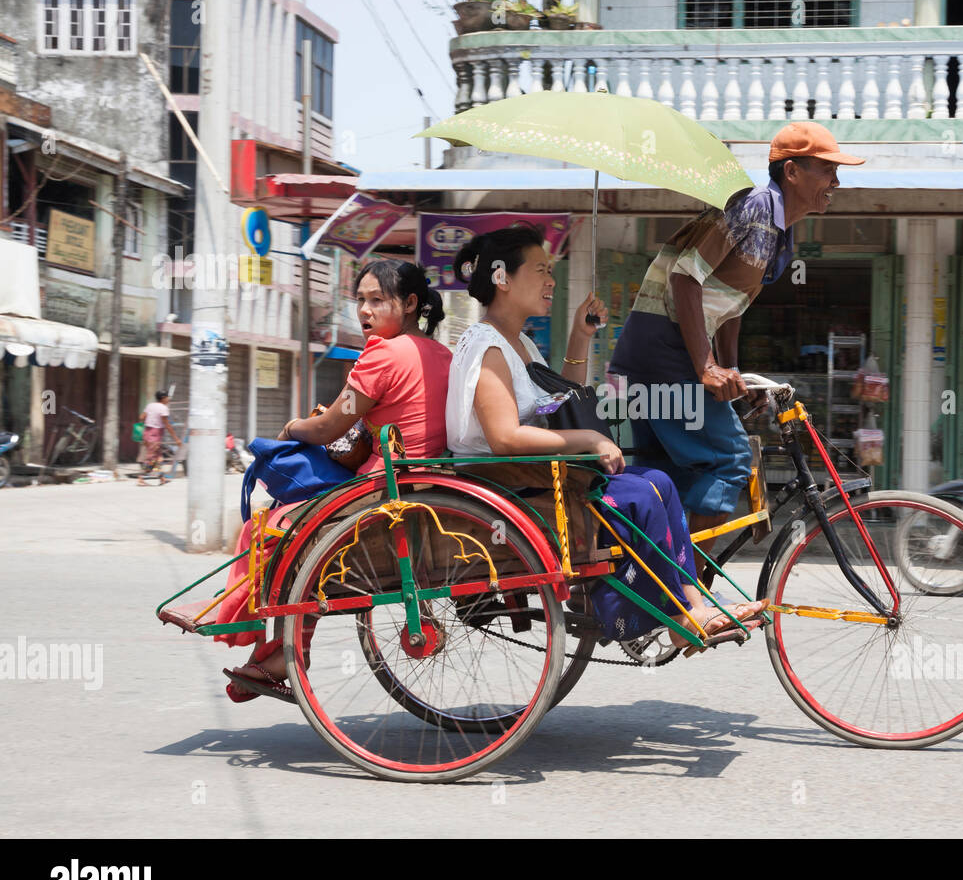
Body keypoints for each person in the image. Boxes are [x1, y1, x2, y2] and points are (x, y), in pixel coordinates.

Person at [446, 226, 766, 647]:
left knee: (659, 482)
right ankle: (679, 615)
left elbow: (559, 402)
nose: (551, 281)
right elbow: (504, 437)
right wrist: (591, 440)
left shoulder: (518, 341)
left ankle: (692, 606)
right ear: (503, 279)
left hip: (535, 475)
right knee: (643, 494)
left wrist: (581, 336)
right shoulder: (488, 346)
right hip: (508, 481)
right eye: (541, 270)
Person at [608, 121, 864, 547]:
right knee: (729, 460)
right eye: (826, 169)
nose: (836, 180)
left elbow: (730, 306)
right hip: (664, 346)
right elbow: (686, 279)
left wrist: (731, 370)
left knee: (664, 478)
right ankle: (689, 593)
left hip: (655, 351)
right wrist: (706, 367)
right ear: (792, 172)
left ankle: (653, 594)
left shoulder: (782, 231)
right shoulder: (752, 206)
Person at [220, 259, 452, 701]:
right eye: (360, 301)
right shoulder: (443, 354)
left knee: (274, 529)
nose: (363, 311)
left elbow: (328, 428)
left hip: (383, 488)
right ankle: (282, 651)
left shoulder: (384, 352)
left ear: (409, 304)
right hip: (431, 484)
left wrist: (290, 428)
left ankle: (284, 652)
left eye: (376, 300)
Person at [137, 391, 181, 485]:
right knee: (151, 458)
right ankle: (141, 478)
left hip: (147, 433)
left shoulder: (150, 405)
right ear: (163, 398)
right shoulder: (163, 408)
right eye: (167, 397)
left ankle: (162, 478)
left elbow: (141, 417)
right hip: (155, 434)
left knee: (158, 458)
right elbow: (167, 425)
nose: (168, 399)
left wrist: (150, 420)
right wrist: (176, 438)